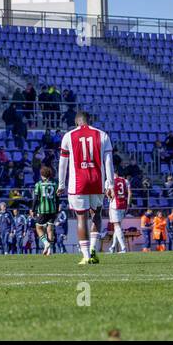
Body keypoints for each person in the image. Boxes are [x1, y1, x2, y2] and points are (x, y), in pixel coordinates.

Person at [58, 109, 115, 266]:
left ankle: (85, 256)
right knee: (96, 214)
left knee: (81, 217)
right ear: (89, 121)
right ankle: (93, 251)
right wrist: (110, 184)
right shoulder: (102, 135)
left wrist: (61, 184)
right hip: (97, 182)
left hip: (78, 183)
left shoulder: (68, 136)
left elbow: (62, 163)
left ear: (77, 122)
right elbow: (109, 162)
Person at [32, 165, 59, 256]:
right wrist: (57, 209)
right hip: (53, 210)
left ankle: (46, 243)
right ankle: (49, 250)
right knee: (50, 230)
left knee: (38, 228)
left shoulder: (38, 184)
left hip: (43, 210)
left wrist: (33, 209)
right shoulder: (55, 184)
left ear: (42, 175)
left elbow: (35, 198)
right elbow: (57, 198)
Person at [108, 173, 131, 253]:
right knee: (118, 226)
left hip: (114, 205)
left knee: (116, 225)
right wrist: (128, 204)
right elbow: (129, 193)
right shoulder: (125, 181)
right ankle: (113, 247)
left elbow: (109, 193)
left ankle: (123, 248)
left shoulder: (110, 181)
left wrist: (109, 197)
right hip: (123, 205)